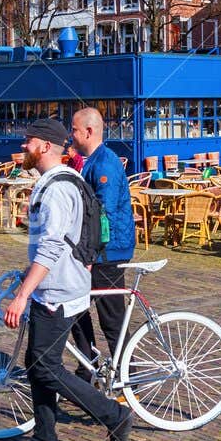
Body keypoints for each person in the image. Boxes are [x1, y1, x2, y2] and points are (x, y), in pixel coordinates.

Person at [0, 117, 133, 441]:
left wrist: (23, 293)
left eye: (28, 140)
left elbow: (52, 245)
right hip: (59, 286)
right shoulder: (65, 178)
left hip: (57, 290)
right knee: (38, 364)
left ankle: (113, 415)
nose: (23, 146)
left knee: (45, 367)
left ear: (44, 146)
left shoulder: (57, 187)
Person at [69, 106, 135, 371]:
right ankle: (88, 365)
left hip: (108, 251)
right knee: (75, 308)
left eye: (73, 130)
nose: (70, 135)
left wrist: (88, 253)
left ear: (88, 131)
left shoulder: (104, 162)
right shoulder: (92, 161)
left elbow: (101, 211)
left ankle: (128, 375)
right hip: (101, 250)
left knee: (111, 316)